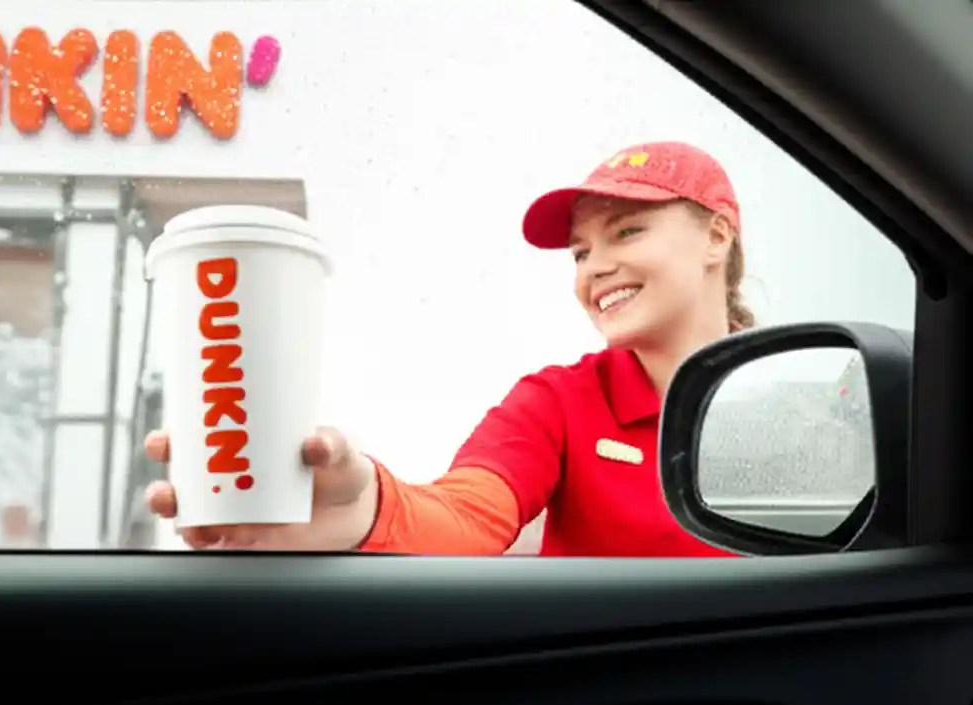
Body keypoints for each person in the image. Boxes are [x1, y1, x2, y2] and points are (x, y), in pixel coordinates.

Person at [143, 140, 753, 556]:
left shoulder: (810, 398)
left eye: (627, 232)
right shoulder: (558, 402)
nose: (597, 268)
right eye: (581, 252)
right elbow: (467, 517)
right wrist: (354, 507)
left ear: (716, 237)